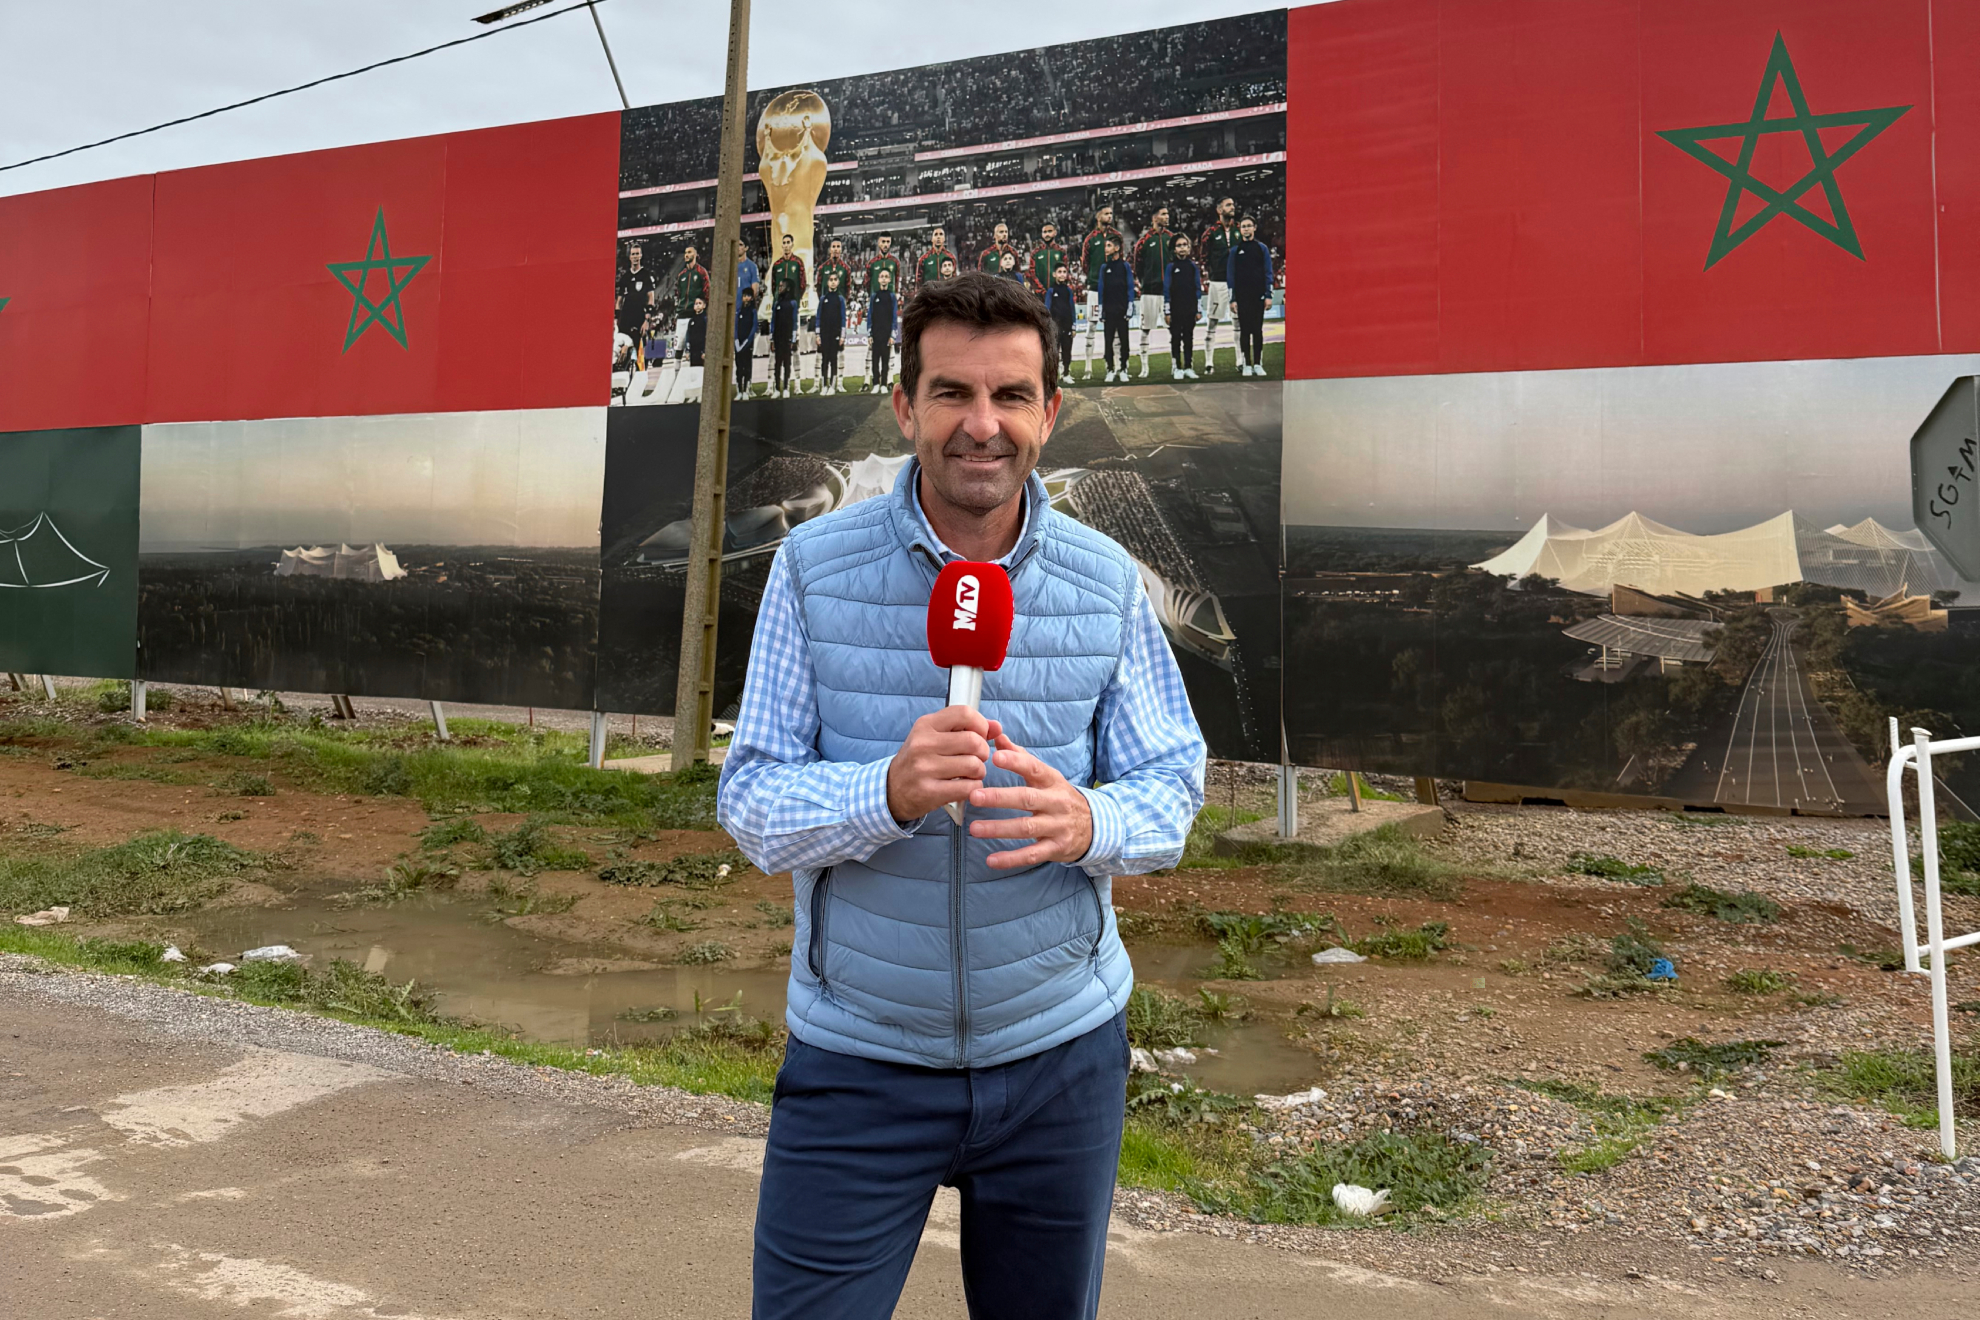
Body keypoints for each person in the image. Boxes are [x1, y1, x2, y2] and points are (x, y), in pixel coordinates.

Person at [720, 270, 1205, 1320]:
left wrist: (1093, 821)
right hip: (859, 1058)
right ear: (905, 407)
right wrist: (882, 794)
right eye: (951, 394)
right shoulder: (810, 570)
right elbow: (752, 801)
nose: (980, 426)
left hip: (1058, 1059)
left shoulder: (1108, 582)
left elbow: (1172, 788)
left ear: (1049, 414)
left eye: (1010, 397)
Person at [1078, 204, 1124, 377]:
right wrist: (1094, 278)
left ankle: (1116, 366)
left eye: (1111, 213)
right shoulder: (1090, 239)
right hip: (1095, 289)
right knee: (1091, 326)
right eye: (1106, 213)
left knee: (1115, 328)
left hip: (1113, 290)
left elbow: (1120, 259)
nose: (1109, 216)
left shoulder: (1117, 236)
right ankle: (1088, 368)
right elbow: (1085, 265)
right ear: (1098, 216)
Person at [1130, 205, 1176, 378]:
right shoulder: (1143, 242)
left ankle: (1175, 365)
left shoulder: (1172, 238)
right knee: (1145, 329)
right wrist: (1146, 282)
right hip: (1149, 292)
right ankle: (1144, 367)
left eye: (1167, 213)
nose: (1167, 216)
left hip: (1169, 293)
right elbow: (1138, 266)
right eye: (1163, 214)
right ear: (1154, 218)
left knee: (1173, 330)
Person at [1227, 216, 1274, 378]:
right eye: (1243, 226)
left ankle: (1258, 364)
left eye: (1249, 226)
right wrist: (1232, 299)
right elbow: (1231, 276)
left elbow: (1268, 273)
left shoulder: (1262, 249)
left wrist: (1268, 295)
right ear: (1240, 230)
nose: (1246, 229)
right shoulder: (1235, 250)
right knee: (1244, 331)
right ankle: (1247, 364)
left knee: (1257, 330)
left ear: (1254, 228)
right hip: (1242, 296)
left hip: (1258, 295)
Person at [1196, 197, 1238, 376]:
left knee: (1238, 322)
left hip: (1237, 284)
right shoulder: (1210, 233)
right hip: (1217, 283)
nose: (1232, 207)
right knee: (1212, 322)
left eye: (1233, 204)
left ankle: (1240, 361)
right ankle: (1208, 362)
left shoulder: (1239, 230)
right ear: (1219, 210)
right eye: (1228, 205)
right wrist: (1209, 275)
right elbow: (1203, 257)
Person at [770, 234, 807, 397]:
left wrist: (795, 301)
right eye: (783, 243)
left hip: (793, 310)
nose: (785, 245)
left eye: (788, 243)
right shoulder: (777, 265)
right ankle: (775, 386)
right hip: (780, 311)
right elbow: (773, 286)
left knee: (795, 346)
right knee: (777, 351)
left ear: (792, 244)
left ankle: (796, 384)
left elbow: (802, 284)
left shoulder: (798, 263)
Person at [1096, 234, 1135, 383]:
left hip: (1122, 310)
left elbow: (1130, 287)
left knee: (1124, 341)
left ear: (1117, 248)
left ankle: (1123, 368)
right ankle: (1110, 369)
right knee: (1108, 341)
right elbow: (1101, 289)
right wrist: (1101, 309)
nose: (1106, 249)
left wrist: (1130, 306)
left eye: (1109, 246)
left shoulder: (1125, 266)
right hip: (1109, 311)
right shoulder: (1104, 268)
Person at [1164, 233, 1203, 380]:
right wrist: (1167, 310)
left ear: (1189, 248)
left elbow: (1197, 288)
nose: (1182, 248)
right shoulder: (1171, 267)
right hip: (1175, 308)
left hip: (1190, 307)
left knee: (1188, 337)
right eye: (1179, 245)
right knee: (1175, 338)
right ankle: (1177, 366)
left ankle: (1188, 366)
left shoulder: (1193, 267)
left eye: (1185, 245)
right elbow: (1167, 289)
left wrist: (1198, 309)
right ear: (1174, 249)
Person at [615, 243, 658, 370]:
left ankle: (640, 379)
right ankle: (624, 380)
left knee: (639, 352)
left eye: (637, 254)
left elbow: (651, 298)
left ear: (641, 255)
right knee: (623, 351)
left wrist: (647, 320)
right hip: (625, 320)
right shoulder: (625, 278)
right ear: (629, 257)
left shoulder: (646, 275)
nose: (635, 256)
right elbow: (619, 301)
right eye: (633, 254)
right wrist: (617, 320)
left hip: (639, 319)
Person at [673, 243, 711, 365]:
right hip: (682, 315)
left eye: (689, 252)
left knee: (696, 347)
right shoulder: (681, 275)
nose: (686, 255)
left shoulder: (701, 272)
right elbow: (677, 293)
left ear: (695, 255)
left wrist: (705, 311)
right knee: (678, 347)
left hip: (695, 315)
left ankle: (698, 375)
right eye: (685, 253)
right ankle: (676, 374)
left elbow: (707, 292)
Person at [735, 239, 763, 399]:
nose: (738, 247)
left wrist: (750, 305)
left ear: (746, 247)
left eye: (740, 244)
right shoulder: (732, 266)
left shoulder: (751, 266)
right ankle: (740, 387)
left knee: (748, 353)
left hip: (747, 312)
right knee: (738, 353)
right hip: (735, 314)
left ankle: (749, 385)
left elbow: (755, 288)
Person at [866, 265, 898, 391]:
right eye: (882, 277)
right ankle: (875, 384)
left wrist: (892, 335)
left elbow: (894, 317)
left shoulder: (891, 297)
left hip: (886, 333)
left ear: (889, 280)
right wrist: (869, 334)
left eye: (886, 277)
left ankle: (884, 384)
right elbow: (870, 315)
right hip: (875, 333)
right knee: (875, 360)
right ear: (878, 280)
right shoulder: (874, 296)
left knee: (885, 360)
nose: (884, 279)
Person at [1045, 261, 1077, 377]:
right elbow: (1047, 309)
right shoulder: (1051, 290)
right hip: (1055, 326)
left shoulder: (1068, 290)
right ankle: (1054, 375)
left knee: (1067, 351)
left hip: (1067, 325)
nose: (1062, 274)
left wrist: (1073, 326)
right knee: (1054, 352)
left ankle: (1066, 373)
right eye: (1059, 272)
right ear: (1054, 274)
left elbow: (1072, 309)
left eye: (1064, 272)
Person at [817, 269, 847, 394]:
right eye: (831, 280)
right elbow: (818, 317)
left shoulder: (840, 299)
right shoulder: (823, 299)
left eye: (835, 280)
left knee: (834, 359)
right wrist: (818, 334)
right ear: (827, 282)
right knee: (824, 360)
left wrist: (842, 336)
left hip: (835, 334)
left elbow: (843, 318)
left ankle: (832, 386)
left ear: (838, 282)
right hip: (824, 334)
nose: (833, 282)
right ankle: (824, 385)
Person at [865, 233, 904, 307]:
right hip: (875, 300)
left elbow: (897, 280)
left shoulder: (895, 262)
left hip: (890, 301)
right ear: (878, 242)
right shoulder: (871, 263)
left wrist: (895, 293)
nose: (885, 244)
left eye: (888, 242)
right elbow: (867, 282)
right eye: (883, 241)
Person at [1028, 221, 1066, 296]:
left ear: (1055, 233)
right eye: (1044, 232)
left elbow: (1066, 272)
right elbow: (1031, 273)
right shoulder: (1035, 253)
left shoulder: (1061, 252)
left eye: (1049, 231)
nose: (1047, 234)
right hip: (1039, 295)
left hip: (1057, 294)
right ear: (1042, 234)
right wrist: (1042, 290)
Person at [816, 236, 855, 302]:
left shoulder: (846, 269)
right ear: (830, 249)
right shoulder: (822, 268)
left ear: (841, 249)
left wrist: (843, 302)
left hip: (839, 306)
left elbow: (848, 288)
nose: (836, 249)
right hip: (826, 305)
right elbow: (818, 287)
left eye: (838, 246)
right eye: (833, 246)